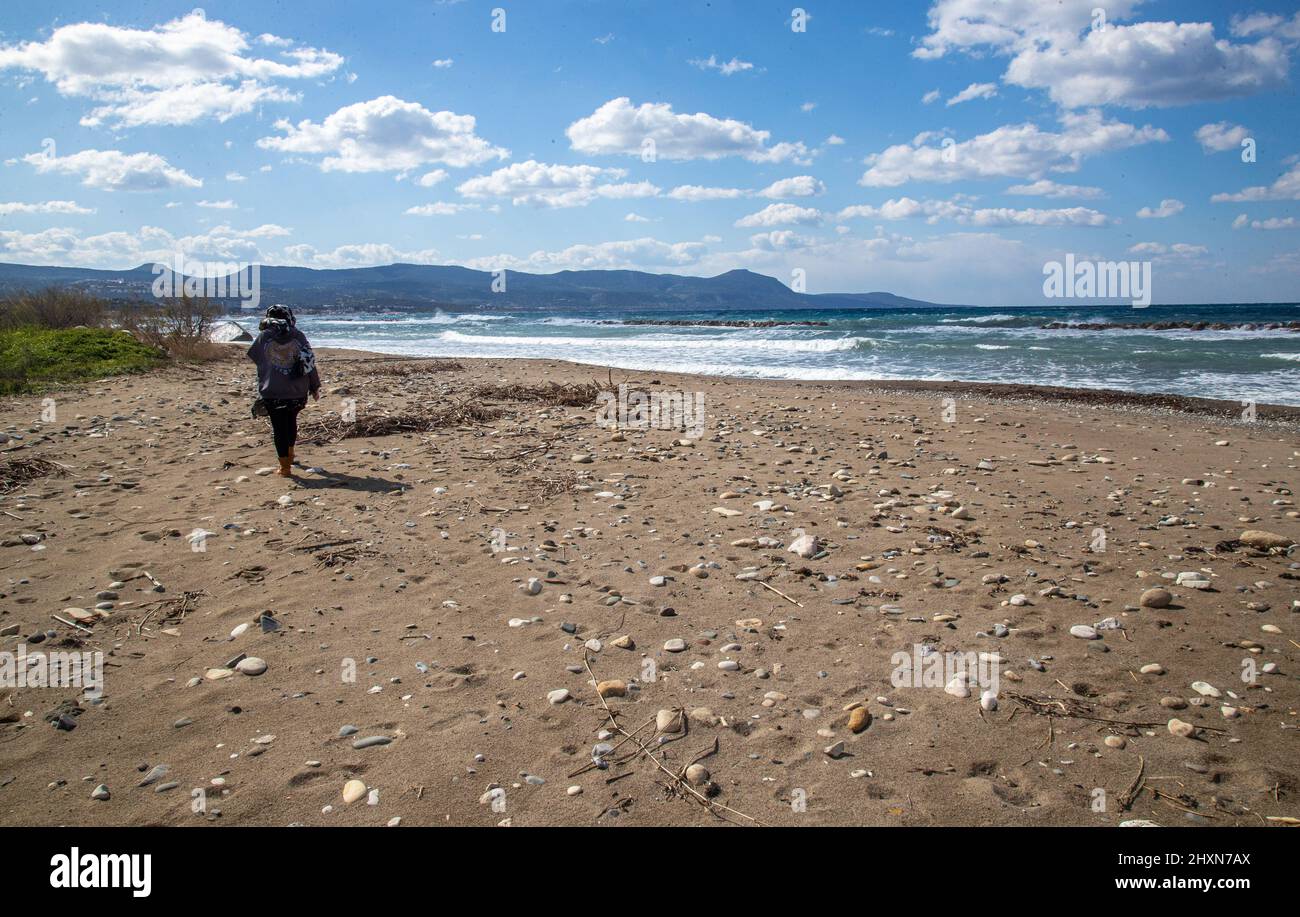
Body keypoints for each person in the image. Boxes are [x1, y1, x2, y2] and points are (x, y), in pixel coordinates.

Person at [247, 305, 320, 477]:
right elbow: (310, 364)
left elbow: (256, 359)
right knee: (291, 422)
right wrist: (314, 387)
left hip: (272, 391)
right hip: (297, 392)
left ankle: (285, 467)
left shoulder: (264, 337)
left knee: (278, 427)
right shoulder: (299, 336)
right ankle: (291, 453)